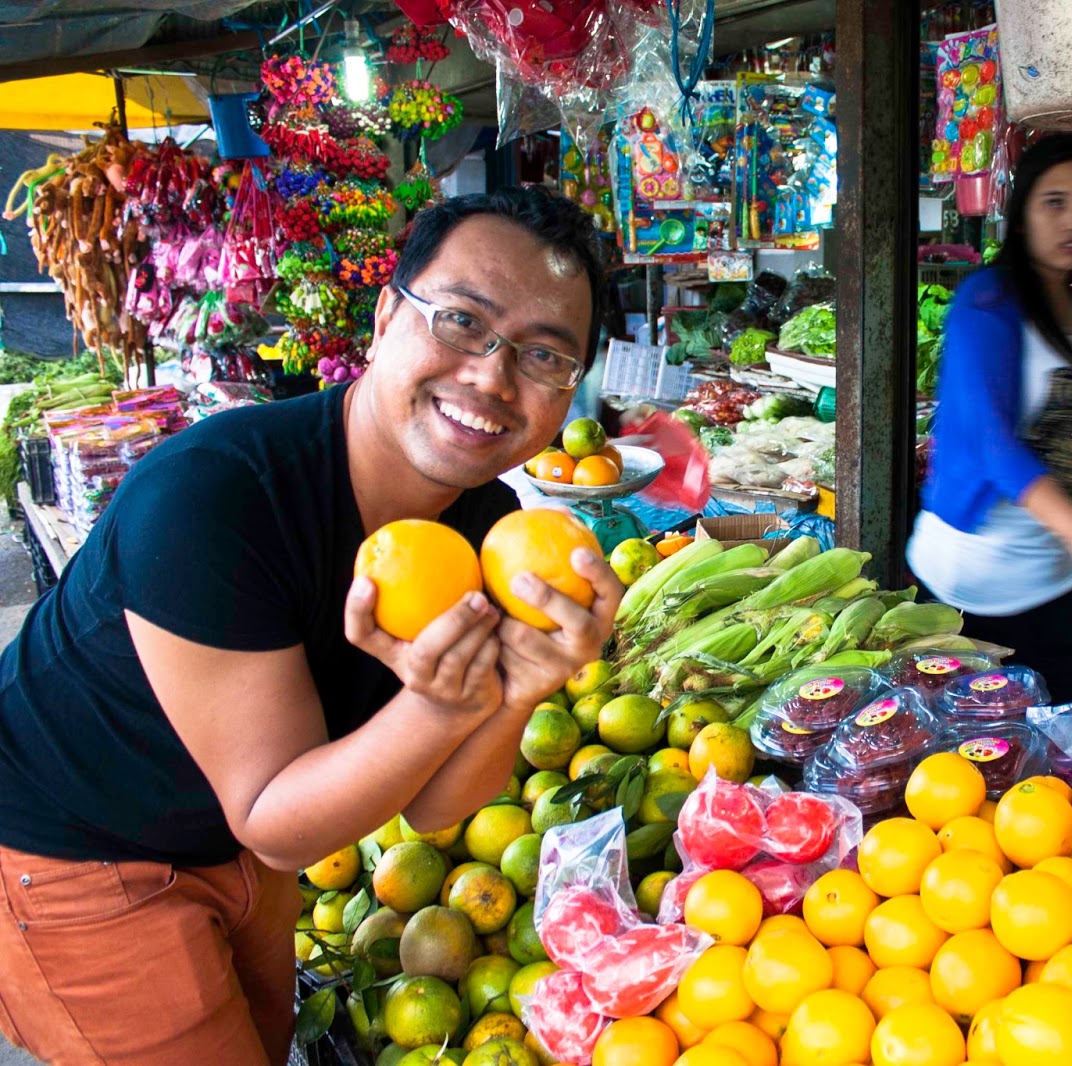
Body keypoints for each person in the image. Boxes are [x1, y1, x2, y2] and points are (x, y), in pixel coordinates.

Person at [0, 186, 623, 1064]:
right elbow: (275, 818)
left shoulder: (487, 525)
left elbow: (438, 802)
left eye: (543, 355)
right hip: (78, 846)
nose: (491, 375)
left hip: (239, 843)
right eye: (459, 321)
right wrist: (438, 708)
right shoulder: (215, 498)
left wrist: (522, 688)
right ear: (383, 317)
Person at [908, 133, 1072, 704]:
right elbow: (995, 442)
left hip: (1052, 569)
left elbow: (1055, 394)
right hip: (977, 582)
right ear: (1021, 216)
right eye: (1055, 202)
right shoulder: (985, 303)